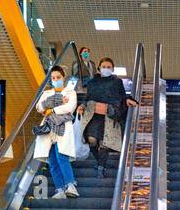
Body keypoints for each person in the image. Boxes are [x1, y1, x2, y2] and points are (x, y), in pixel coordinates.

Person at [79, 57, 138, 176]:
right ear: (99, 68)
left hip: (109, 116)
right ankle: (99, 161)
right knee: (91, 140)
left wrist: (127, 100)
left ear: (113, 69)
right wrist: (82, 105)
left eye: (109, 67)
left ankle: (101, 167)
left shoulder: (117, 81)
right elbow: (88, 97)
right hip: (93, 116)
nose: (106, 69)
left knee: (104, 142)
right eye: (104, 66)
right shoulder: (92, 82)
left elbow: (121, 95)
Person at [33, 65, 79, 198]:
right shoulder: (47, 93)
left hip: (63, 127)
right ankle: (60, 189)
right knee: (52, 160)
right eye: (53, 78)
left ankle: (70, 185)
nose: (55, 79)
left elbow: (69, 108)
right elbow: (39, 107)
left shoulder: (71, 93)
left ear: (63, 77)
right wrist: (57, 101)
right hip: (48, 129)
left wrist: (51, 110)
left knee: (62, 155)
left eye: (58, 77)